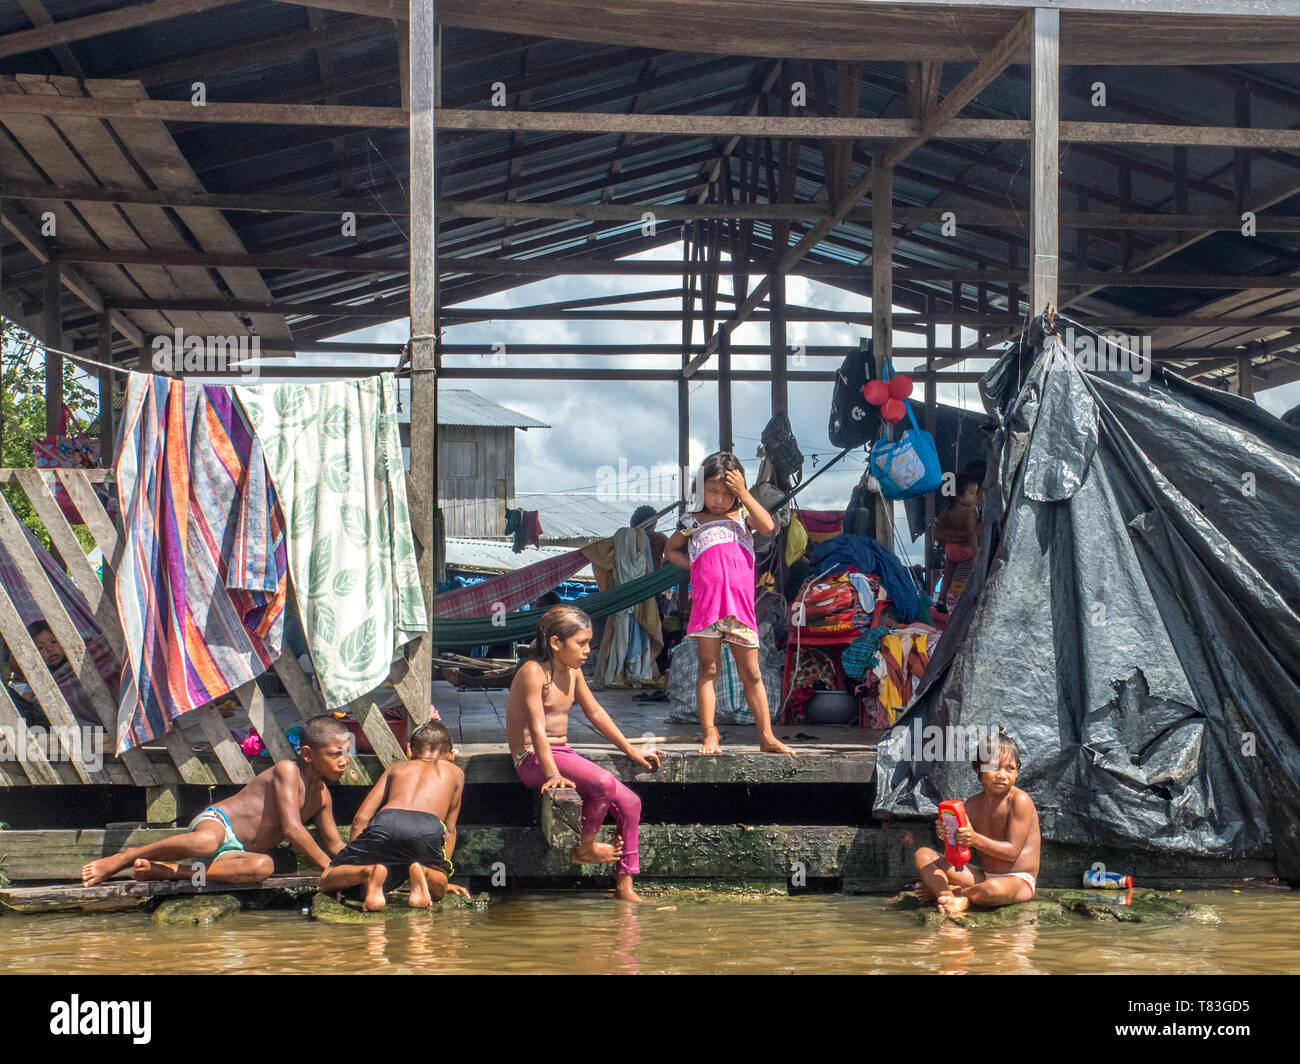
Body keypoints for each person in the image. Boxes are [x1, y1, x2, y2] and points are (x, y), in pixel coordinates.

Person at [80, 714, 352, 886]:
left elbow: (334, 843)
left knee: (262, 866)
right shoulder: (287, 771)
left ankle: (173, 872)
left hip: (241, 853)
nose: (343, 762)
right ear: (307, 754)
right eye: (335, 754)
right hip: (220, 825)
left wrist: (355, 864)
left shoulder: (322, 797)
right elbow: (293, 830)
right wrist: (329, 869)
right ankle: (125, 857)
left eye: (346, 753)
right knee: (205, 842)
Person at [506, 605, 661, 903]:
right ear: (555, 643)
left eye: (589, 642)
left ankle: (625, 886)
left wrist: (631, 749)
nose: (588, 650)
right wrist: (552, 774)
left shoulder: (573, 672)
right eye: (581, 643)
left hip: (562, 753)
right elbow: (537, 729)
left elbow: (596, 712)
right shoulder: (532, 671)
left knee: (630, 802)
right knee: (603, 783)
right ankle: (585, 848)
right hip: (533, 759)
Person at [663, 452, 794, 756]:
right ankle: (710, 734)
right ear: (700, 490)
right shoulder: (692, 521)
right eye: (712, 491)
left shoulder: (742, 519)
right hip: (708, 608)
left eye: (727, 492)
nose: (720, 499)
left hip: (740, 610)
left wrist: (744, 493)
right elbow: (671, 551)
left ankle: (767, 737)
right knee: (708, 669)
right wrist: (696, 565)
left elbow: (767, 525)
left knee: (752, 674)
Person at [321, 719, 470, 911]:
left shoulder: (396, 769)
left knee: (327, 879)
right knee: (438, 890)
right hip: (428, 826)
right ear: (451, 756)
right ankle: (424, 874)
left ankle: (368, 872)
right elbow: (449, 830)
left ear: (409, 752)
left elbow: (361, 818)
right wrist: (441, 873)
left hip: (387, 821)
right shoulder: (456, 773)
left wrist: (360, 858)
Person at [912, 732, 1040, 914]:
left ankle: (957, 897)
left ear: (1018, 770)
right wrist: (947, 834)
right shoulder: (972, 804)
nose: (1002, 775)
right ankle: (946, 896)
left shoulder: (1020, 801)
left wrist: (973, 839)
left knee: (992, 889)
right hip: (983, 876)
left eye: (1010, 768)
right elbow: (958, 848)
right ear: (978, 768)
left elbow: (1012, 853)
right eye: (994, 767)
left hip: (1017, 880)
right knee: (923, 855)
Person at [932, 473, 981, 613]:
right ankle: (960, 597)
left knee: (948, 573)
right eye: (972, 493)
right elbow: (971, 534)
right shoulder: (969, 512)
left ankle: (941, 599)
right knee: (967, 572)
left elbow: (937, 532)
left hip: (950, 549)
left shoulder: (948, 511)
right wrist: (976, 554)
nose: (975, 497)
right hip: (965, 550)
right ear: (960, 496)